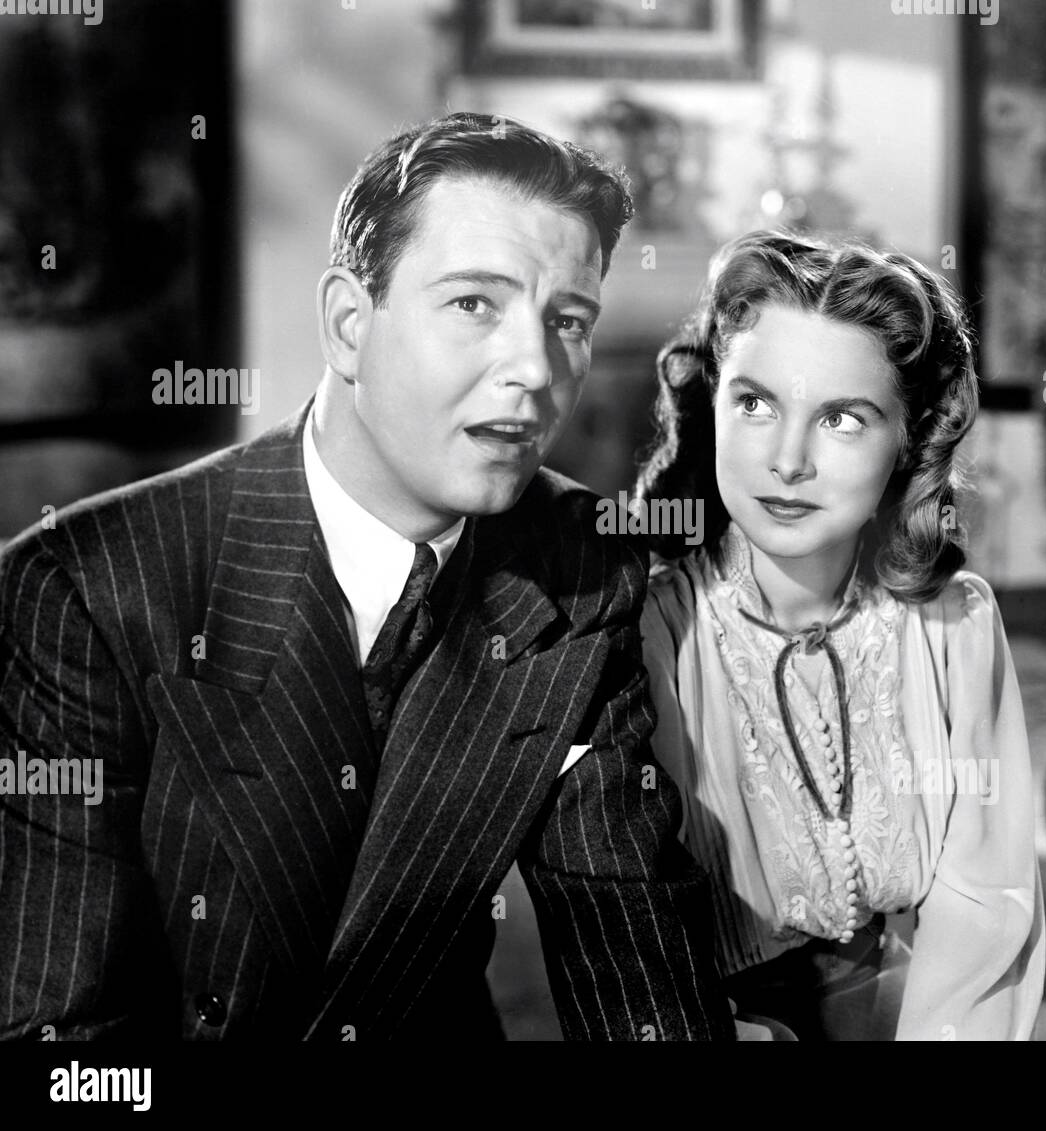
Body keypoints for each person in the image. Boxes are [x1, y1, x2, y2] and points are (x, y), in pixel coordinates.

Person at [0, 112, 734, 1041]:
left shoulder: (592, 567)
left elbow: (633, 957)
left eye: (569, 321)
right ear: (350, 325)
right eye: (475, 304)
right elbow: (60, 1041)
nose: (534, 369)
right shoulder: (85, 585)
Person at [636, 230, 1046, 1040]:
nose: (787, 460)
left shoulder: (955, 623)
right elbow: (626, 927)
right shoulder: (650, 634)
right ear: (713, 402)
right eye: (754, 403)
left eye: (842, 418)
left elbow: (986, 900)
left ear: (909, 440)